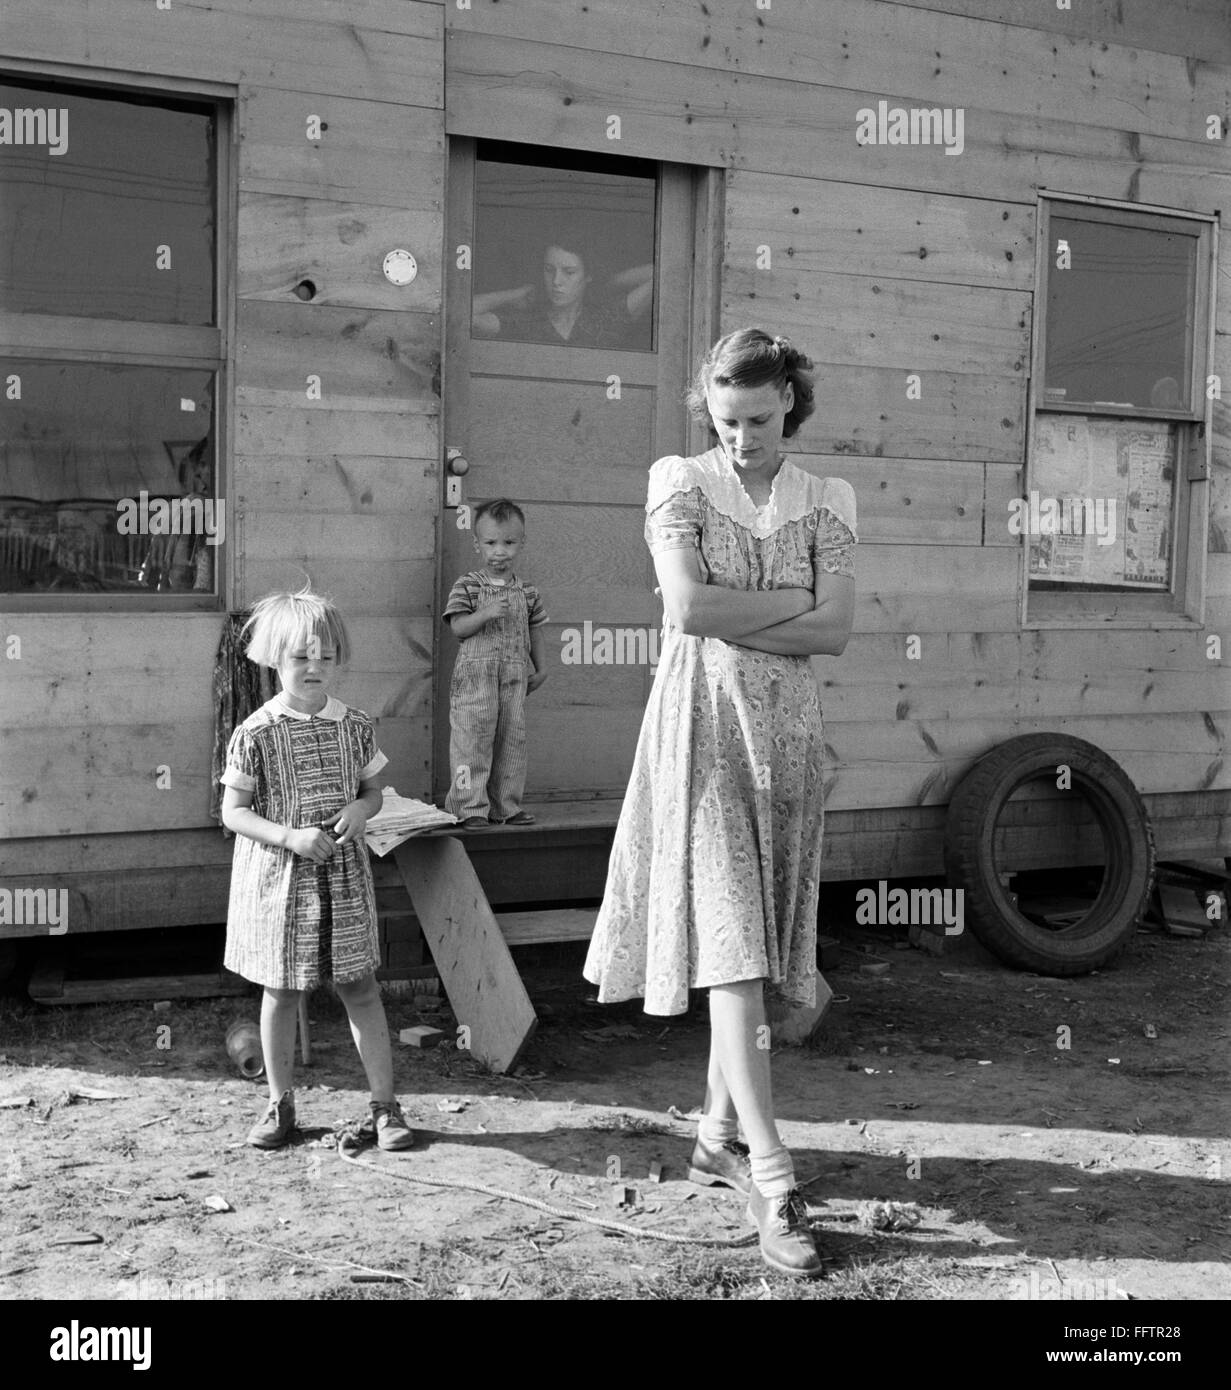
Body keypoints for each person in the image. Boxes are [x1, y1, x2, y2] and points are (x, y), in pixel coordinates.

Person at [583, 328, 857, 1277]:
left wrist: (788, 614)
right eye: (724, 418)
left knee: (763, 940)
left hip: (786, 740)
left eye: (757, 416)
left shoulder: (828, 498)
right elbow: (688, 612)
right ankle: (774, 1175)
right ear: (708, 407)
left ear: (788, 398)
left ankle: (713, 1135)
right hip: (700, 728)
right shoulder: (680, 480)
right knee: (733, 940)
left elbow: (841, 630)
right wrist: (791, 600)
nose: (740, 436)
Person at [220, 584, 416, 1152]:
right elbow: (233, 813)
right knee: (280, 992)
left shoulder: (355, 726)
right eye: (301, 656)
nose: (314, 667)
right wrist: (289, 837)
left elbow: (374, 792)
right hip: (280, 884)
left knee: (359, 987)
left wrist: (361, 808)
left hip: (343, 882)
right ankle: (279, 1106)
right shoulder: (255, 732)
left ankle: (385, 1107)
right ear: (275, 658)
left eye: (325, 657)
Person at [444, 499, 548, 829]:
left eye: (508, 542)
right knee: (470, 743)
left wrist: (540, 667)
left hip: (513, 678)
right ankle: (468, 808)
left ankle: (506, 806)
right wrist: (485, 613)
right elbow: (458, 627)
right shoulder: (468, 585)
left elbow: (535, 629)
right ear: (477, 545)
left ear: (521, 543)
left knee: (511, 742)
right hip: (475, 678)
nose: (500, 552)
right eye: (490, 543)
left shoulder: (528, 591)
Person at [472, 238, 652, 349]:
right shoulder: (526, 322)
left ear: (587, 275)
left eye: (569, 272)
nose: (556, 281)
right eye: (549, 270)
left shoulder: (606, 319)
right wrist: (513, 295)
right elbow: (461, 315)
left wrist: (605, 283)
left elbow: (661, 273)